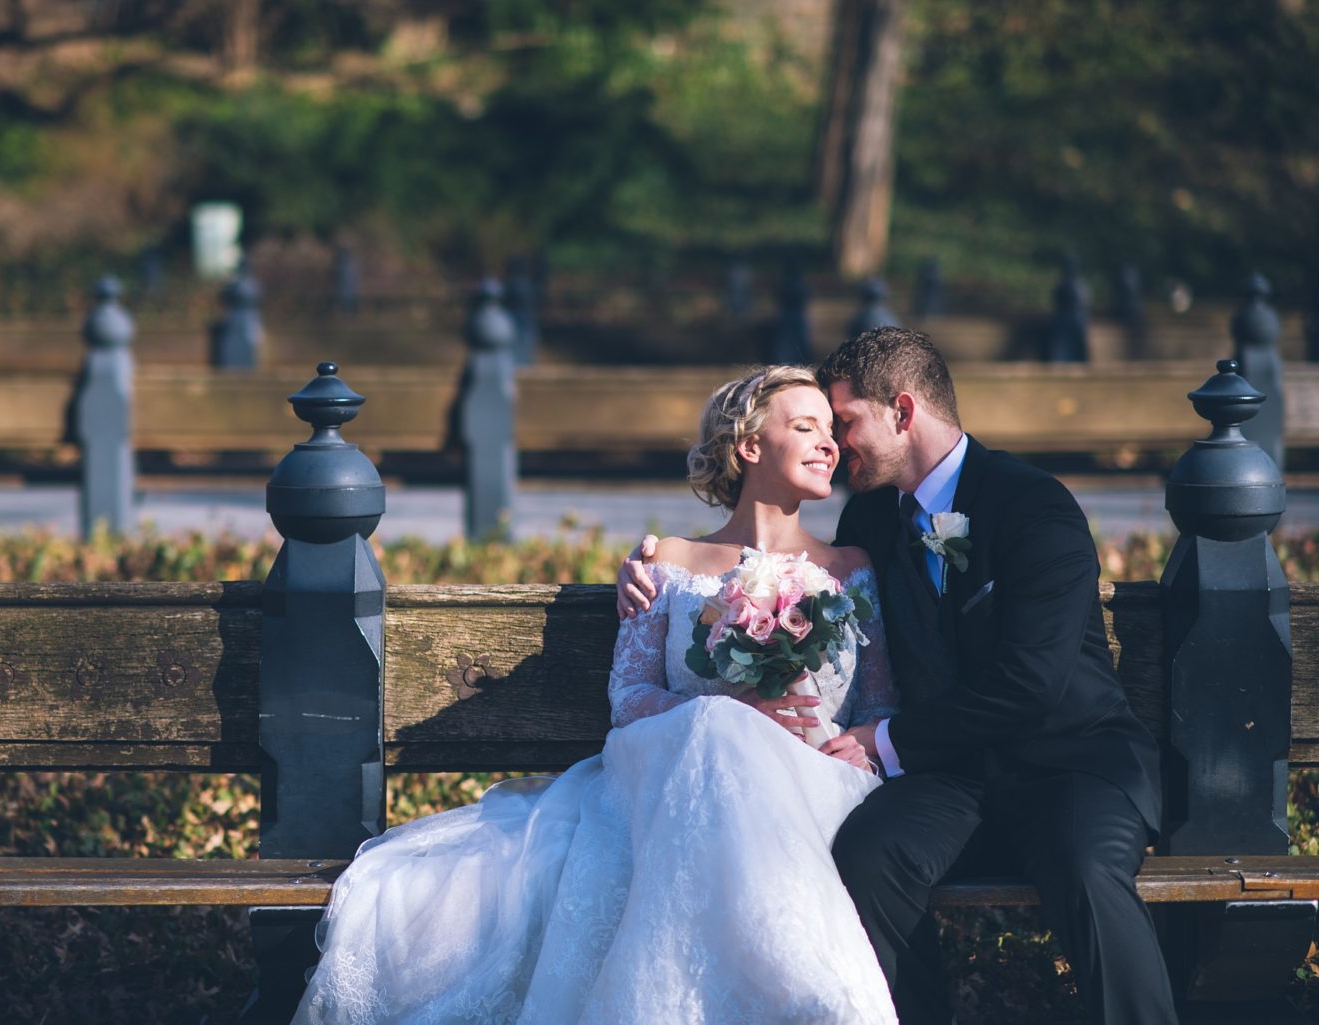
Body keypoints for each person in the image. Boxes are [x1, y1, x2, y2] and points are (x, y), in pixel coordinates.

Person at [294, 365, 902, 1025]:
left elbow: (877, 707)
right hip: (674, 788)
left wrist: (863, 746)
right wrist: (730, 713)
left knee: (732, 745)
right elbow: (629, 695)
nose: (828, 444)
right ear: (750, 445)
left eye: (831, 431)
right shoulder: (666, 562)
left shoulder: (853, 569)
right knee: (722, 735)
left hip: (810, 793)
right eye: (805, 426)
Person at [618, 327, 1176, 1025]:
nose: (835, 443)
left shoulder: (1032, 505)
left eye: (845, 422)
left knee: (1087, 871)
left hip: (1070, 760)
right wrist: (646, 563)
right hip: (954, 776)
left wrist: (886, 740)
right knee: (869, 854)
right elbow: (762, 561)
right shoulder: (872, 518)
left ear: (902, 412)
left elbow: (1033, 679)